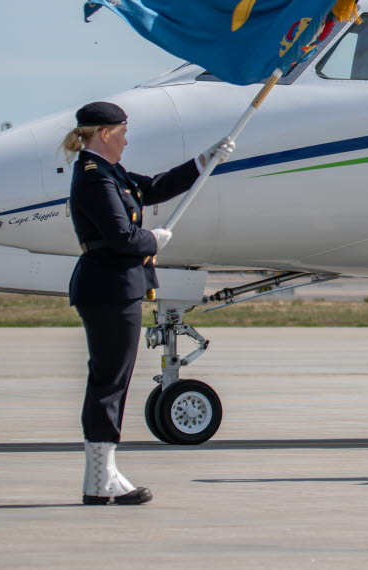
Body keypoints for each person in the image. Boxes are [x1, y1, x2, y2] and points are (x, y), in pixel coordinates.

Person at [63, 101, 233, 503]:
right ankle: (100, 477)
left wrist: (202, 162)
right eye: (122, 132)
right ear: (104, 134)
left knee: (112, 380)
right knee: (108, 382)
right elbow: (121, 237)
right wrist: (152, 241)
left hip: (116, 286)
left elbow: (153, 187)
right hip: (109, 287)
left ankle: (102, 474)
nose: (126, 140)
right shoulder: (93, 177)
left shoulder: (109, 172)